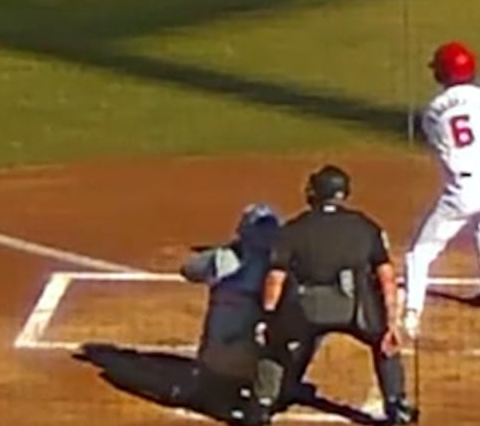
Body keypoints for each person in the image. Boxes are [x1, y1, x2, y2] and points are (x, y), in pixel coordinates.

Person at [250, 165, 419, 425]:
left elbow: (276, 278)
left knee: (277, 341)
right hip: (355, 307)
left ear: (315, 193)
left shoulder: (293, 229)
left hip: (307, 309)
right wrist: (390, 323)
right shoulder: (366, 226)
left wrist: (268, 317)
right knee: (385, 343)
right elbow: (386, 276)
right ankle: (397, 406)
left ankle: (262, 405)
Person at [400, 40, 480, 340]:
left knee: (420, 254)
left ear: (443, 73)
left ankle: (411, 314)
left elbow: (448, 147)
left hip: (464, 191)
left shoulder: (432, 112)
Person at [175, 203, 283, 421]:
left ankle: (209, 391)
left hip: (214, 362)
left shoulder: (222, 258)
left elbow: (188, 269)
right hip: (256, 366)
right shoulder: (282, 270)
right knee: (299, 330)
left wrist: (228, 251)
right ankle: (267, 396)